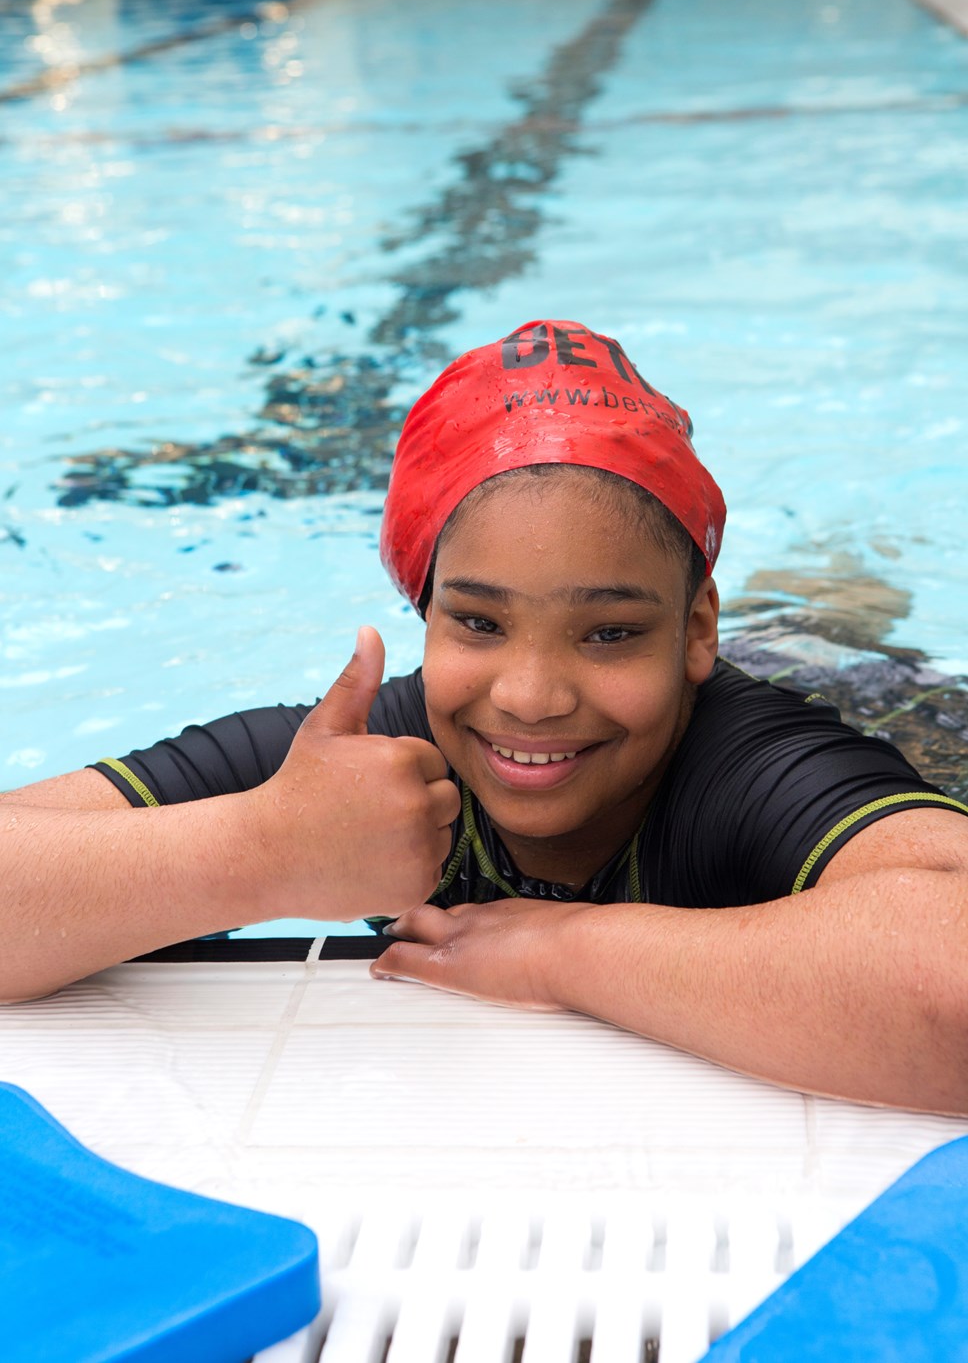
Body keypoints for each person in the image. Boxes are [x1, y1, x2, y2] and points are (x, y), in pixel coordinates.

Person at [3, 321, 966, 1116]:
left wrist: (562, 951)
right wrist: (259, 851)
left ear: (692, 632)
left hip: (879, 699)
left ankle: (838, 588)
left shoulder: (750, 765)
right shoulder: (357, 761)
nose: (530, 695)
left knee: (839, 631)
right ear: (423, 612)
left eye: (610, 632)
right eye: (479, 622)